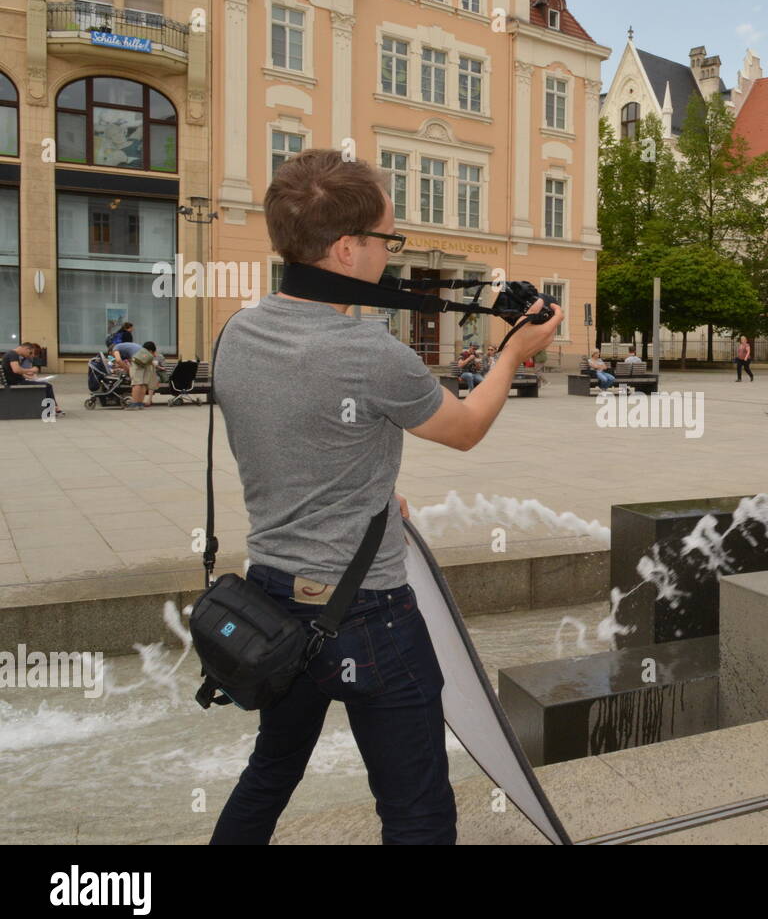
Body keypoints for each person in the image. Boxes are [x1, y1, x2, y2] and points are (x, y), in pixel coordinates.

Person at [208, 147, 562, 845]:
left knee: (269, 775)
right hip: (368, 612)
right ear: (345, 249)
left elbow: (292, 436)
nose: (388, 255)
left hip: (272, 603)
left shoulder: (238, 332)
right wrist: (514, 355)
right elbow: (463, 430)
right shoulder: (369, 350)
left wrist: (372, 485)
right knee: (416, 811)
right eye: (384, 240)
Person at [2, 341, 64, 415]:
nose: (29, 356)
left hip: (15, 381)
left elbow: (13, 371)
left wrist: (26, 374)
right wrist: (31, 370)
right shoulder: (13, 354)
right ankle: (52, 409)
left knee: (45, 384)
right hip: (17, 382)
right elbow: (16, 370)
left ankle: (53, 408)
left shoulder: (11, 354)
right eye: (30, 353)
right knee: (47, 386)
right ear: (26, 349)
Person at [123, 341, 161, 410]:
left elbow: (119, 360)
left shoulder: (117, 349)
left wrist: (128, 369)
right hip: (146, 365)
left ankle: (134, 404)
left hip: (138, 364)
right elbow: (153, 358)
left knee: (136, 384)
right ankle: (139, 404)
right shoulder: (141, 350)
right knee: (143, 384)